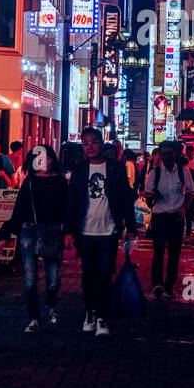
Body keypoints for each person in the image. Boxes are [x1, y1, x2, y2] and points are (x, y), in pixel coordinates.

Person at [65, 127, 138, 337]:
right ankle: (89, 312)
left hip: (109, 231)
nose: (90, 147)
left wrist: (130, 228)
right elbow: (72, 202)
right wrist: (68, 230)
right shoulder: (79, 170)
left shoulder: (116, 168)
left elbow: (125, 199)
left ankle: (102, 318)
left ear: (101, 143)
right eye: (85, 143)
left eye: (93, 142)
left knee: (105, 276)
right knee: (88, 276)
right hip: (85, 232)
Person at [0, 145, 69, 332]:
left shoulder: (61, 182)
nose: (43, 162)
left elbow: (66, 209)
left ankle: (50, 304)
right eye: (38, 158)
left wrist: (69, 233)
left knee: (53, 279)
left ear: (52, 160)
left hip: (53, 232)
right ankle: (34, 318)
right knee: (30, 279)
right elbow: (19, 210)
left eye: (46, 158)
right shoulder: (29, 181)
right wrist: (4, 235)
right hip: (29, 231)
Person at [143, 139, 194, 298]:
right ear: (160, 155)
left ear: (175, 154)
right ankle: (157, 284)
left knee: (174, 253)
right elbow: (147, 194)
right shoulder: (155, 173)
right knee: (158, 252)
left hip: (176, 217)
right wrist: (152, 195)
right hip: (159, 217)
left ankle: (169, 285)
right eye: (164, 154)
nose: (167, 157)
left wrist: (184, 208)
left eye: (169, 154)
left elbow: (191, 192)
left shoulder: (183, 171)